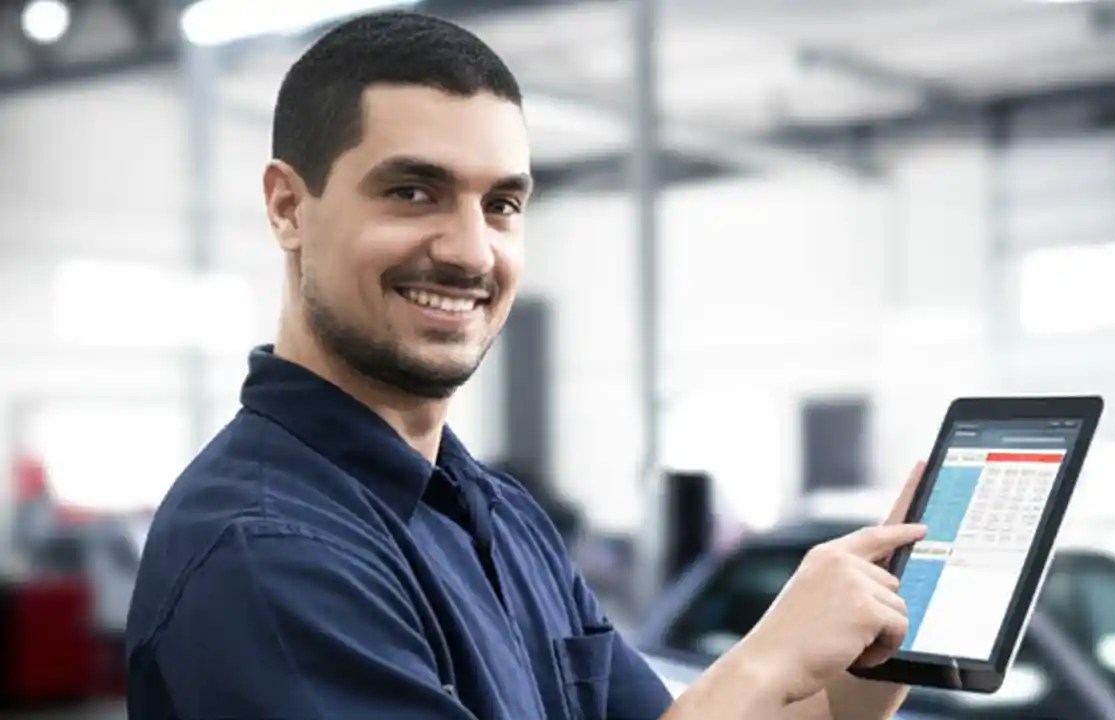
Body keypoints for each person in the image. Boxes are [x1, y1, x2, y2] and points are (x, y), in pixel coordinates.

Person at [124, 11, 927, 720]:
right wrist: (765, 659)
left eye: (501, 205)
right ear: (287, 207)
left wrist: (876, 650)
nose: (472, 252)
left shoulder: (499, 515)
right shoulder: (266, 553)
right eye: (412, 192)